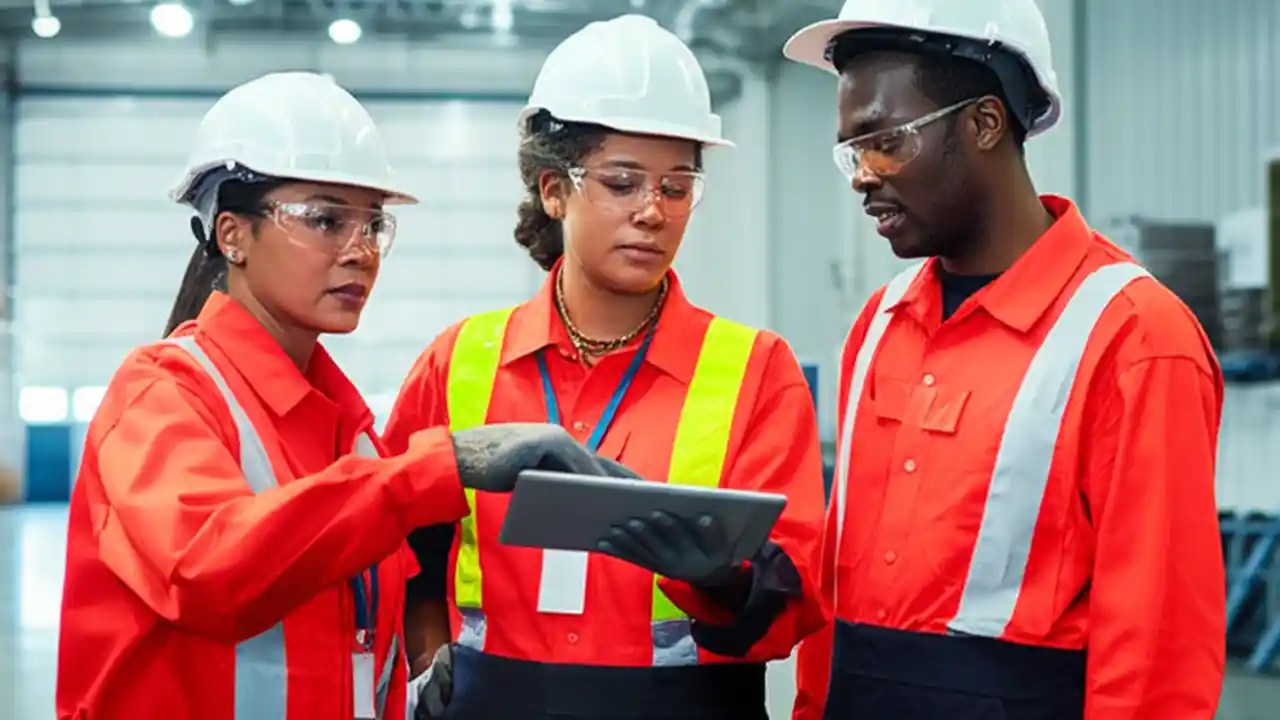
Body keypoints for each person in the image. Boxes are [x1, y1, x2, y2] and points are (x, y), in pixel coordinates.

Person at [55, 71, 622, 720]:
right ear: (232, 234)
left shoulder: (345, 432)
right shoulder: (163, 395)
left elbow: (334, 648)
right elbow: (209, 571)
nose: (361, 252)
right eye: (325, 219)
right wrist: (438, 466)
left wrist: (410, 701)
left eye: (373, 224)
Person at [781, 1, 1227, 718]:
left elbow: (1158, 652)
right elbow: (837, 604)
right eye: (851, 151)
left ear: (984, 124)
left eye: (885, 140)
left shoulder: (1135, 338)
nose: (863, 176)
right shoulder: (879, 325)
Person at [385, 14, 829, 720]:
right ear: (552, 189)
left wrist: (722, 577)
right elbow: (396, 550)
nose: (653, 212)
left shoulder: (755, 372)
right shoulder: (461, 360)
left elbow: (797, 599)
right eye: (623, 183)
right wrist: (429, 657)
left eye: (677, 187)